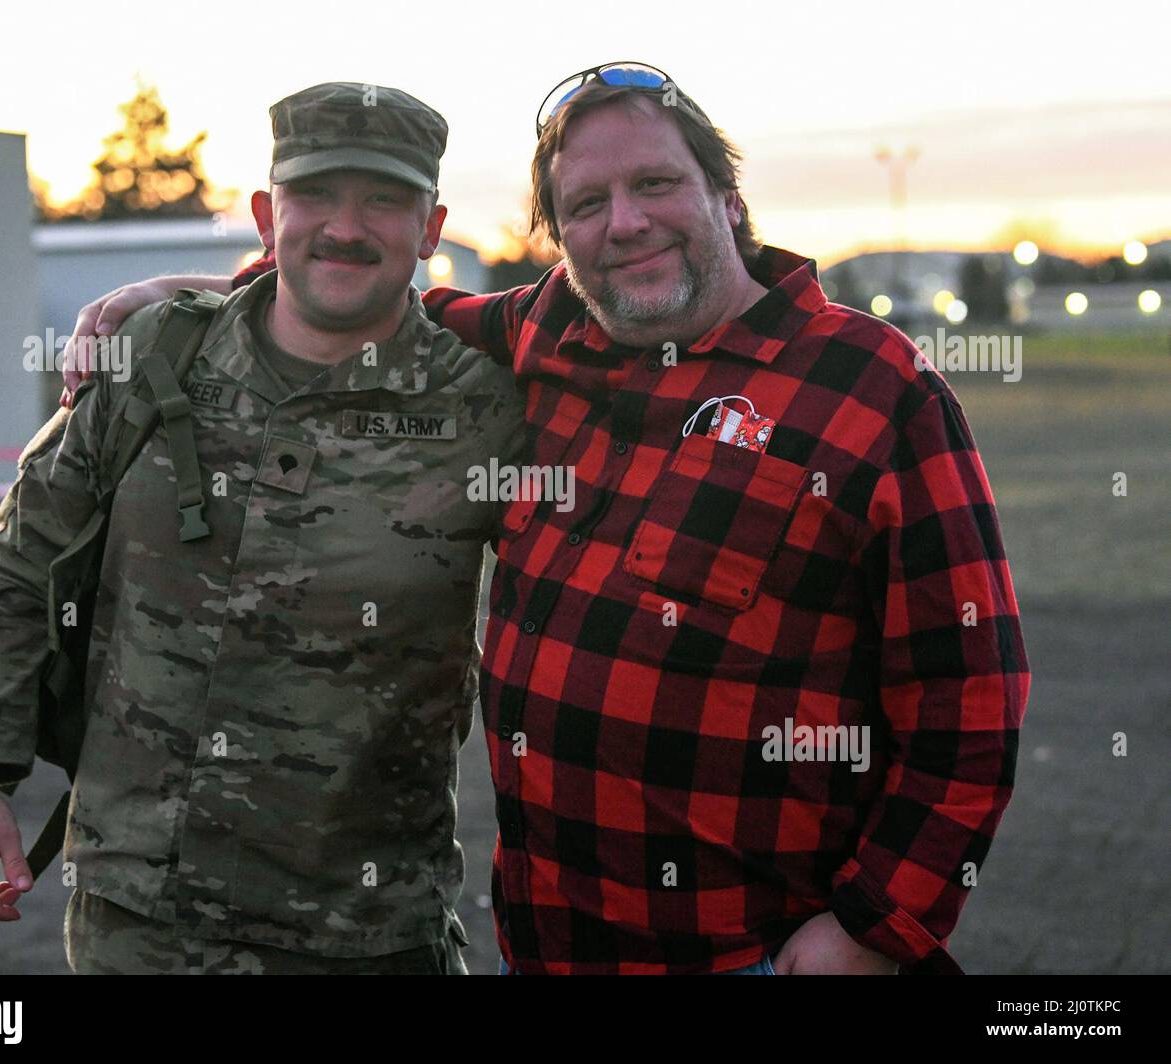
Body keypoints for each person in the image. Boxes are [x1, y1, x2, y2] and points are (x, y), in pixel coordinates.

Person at [60, 63, 1030, 975]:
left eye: (655, 184)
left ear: (726, 198)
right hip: (548, 945)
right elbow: (368, 297)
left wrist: (873, 924)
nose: (625, 223)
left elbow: (970, 689)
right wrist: (192, 300)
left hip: (755, 951)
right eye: (586, 205)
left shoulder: (869, 385)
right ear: (558, 241)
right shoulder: (546, 333)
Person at [0, 82, 525, 974]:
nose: (345, 226)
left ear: (432, 229)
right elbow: (19, 567)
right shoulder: (153, 359)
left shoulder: (487, 409)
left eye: (384, 200)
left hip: (366, 931)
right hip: (138, 921)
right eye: (315, 194)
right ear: (264, 213)